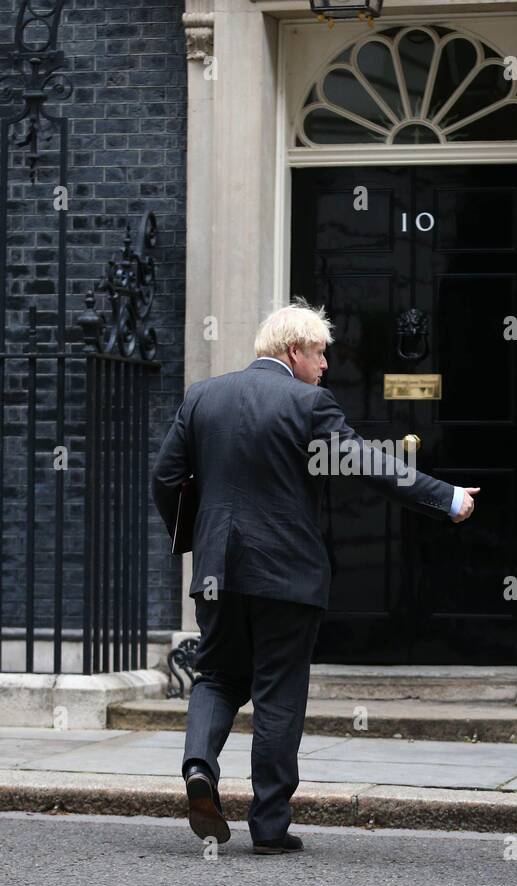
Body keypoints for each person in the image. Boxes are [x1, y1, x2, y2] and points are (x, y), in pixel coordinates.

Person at [151, 298, 478, 854]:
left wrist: (197, 540)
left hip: (216, 573)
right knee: (278, 692)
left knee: (216, 674)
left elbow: (165, 478)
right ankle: (270, 826)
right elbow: (368, 465)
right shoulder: (309, 405)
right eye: (321, 353)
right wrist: (443, 497)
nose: (326, 365)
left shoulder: (203, 396)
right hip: (286, 575)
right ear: (293, 350)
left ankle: (199, 769)